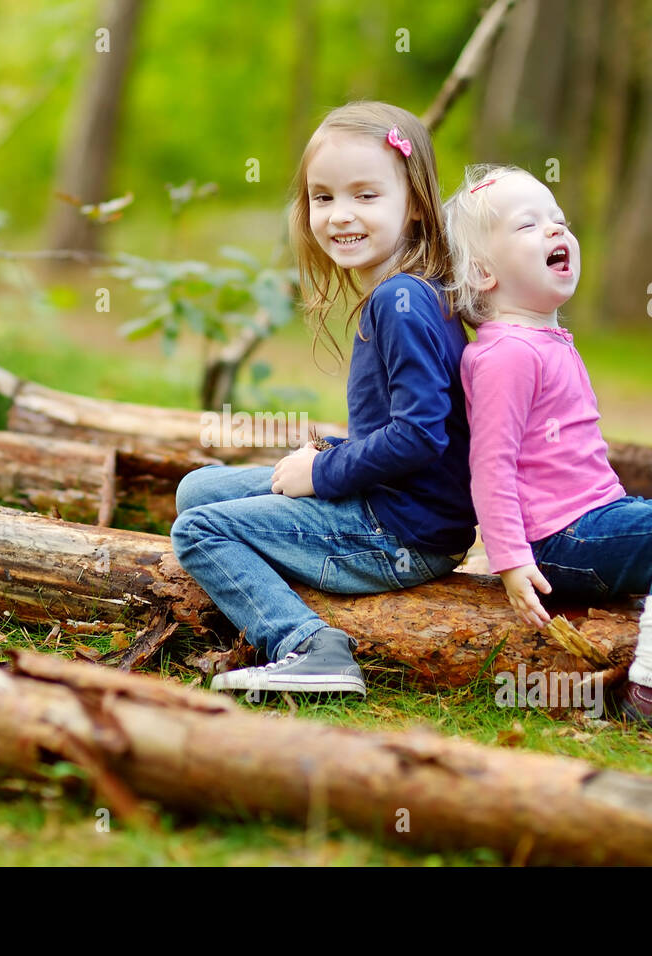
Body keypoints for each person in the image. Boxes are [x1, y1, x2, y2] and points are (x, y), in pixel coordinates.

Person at [170, 101, 475, 697]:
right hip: (392, 501)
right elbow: (407, 433)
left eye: (366, 195)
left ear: (414, 202)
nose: (340, 215)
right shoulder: (403, 293)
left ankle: (308, 645)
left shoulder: (399, 303)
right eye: (323, 196)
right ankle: (278, 549)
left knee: (199, 530)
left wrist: (324, 471)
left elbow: (420, 438)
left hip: (402, 534)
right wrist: (335, 453)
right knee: (196, 488)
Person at [444, 164, 652, 744]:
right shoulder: (508, 354)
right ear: (484, 272)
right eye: (528, 225)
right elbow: (490, 464)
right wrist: (509, 559)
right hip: (557, 543)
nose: (556, 231)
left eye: (558, 220)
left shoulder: (545, 336)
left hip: (596, 517)